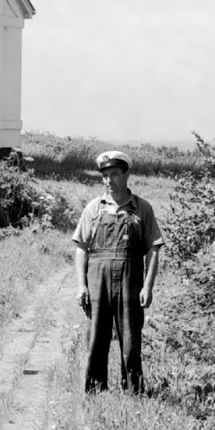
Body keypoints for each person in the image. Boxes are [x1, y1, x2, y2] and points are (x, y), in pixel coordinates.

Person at [72, 150, 163, 393]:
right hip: (97, 282)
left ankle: (134, 392)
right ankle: (95, 392)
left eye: (114, 174)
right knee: (96, 339)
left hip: (131, 282)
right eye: (104, 176)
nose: (108, 180)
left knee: (131, 341)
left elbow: (153, 248)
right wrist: (81, 285)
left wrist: (148, 286)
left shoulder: (142, 208)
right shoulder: (94, 208)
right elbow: (81, 247)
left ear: (126, 174)